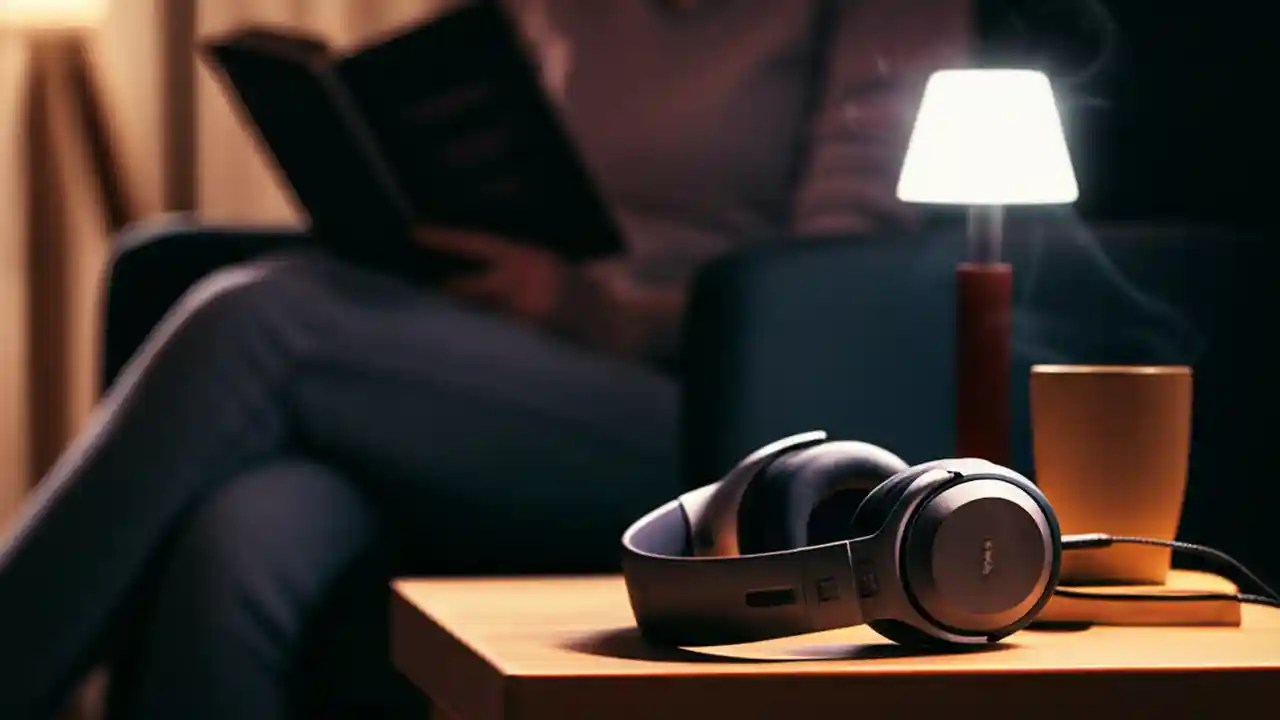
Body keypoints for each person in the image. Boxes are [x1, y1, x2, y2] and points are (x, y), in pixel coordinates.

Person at [0, 1, 968, 717]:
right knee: (247, 529)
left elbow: (834, 297)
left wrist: (599, 309)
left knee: (257, 318)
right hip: (485, 377)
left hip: (701, 416)